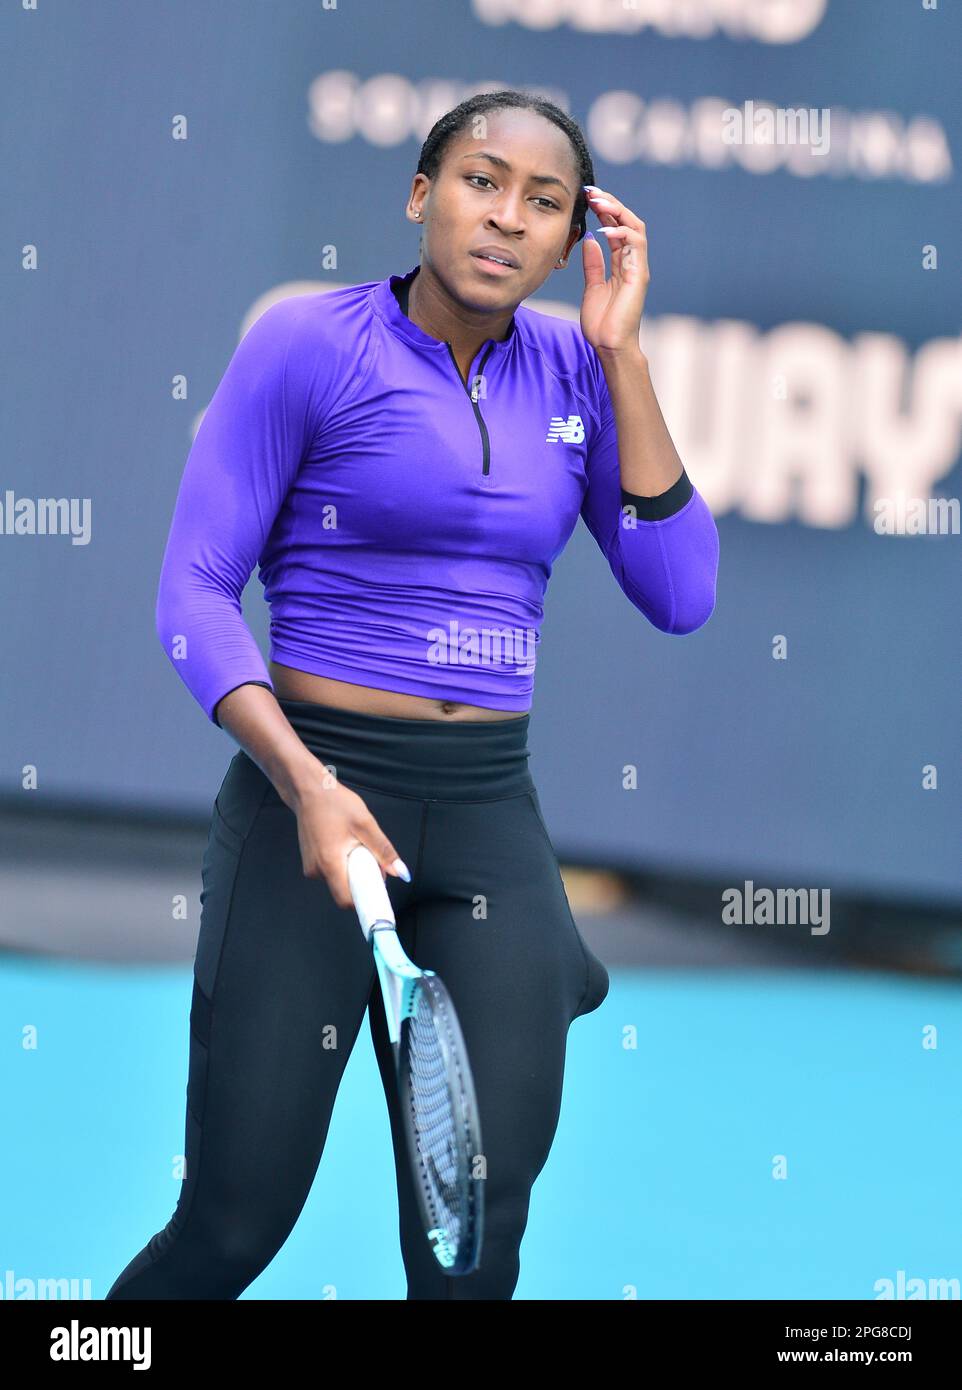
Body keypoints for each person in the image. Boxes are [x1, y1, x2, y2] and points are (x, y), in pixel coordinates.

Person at [104, 88, 719, 1301]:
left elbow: (679, 590)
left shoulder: (579, 372)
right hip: (307, 808)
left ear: (574, 240)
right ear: (420, 195)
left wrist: (621, 354)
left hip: (489, 820)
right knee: (231, 1226)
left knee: (470, 1246)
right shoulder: (306, 343)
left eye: (544, 202)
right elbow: (193, 594)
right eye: (480, 181)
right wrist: (308, 786)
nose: (505, 218)